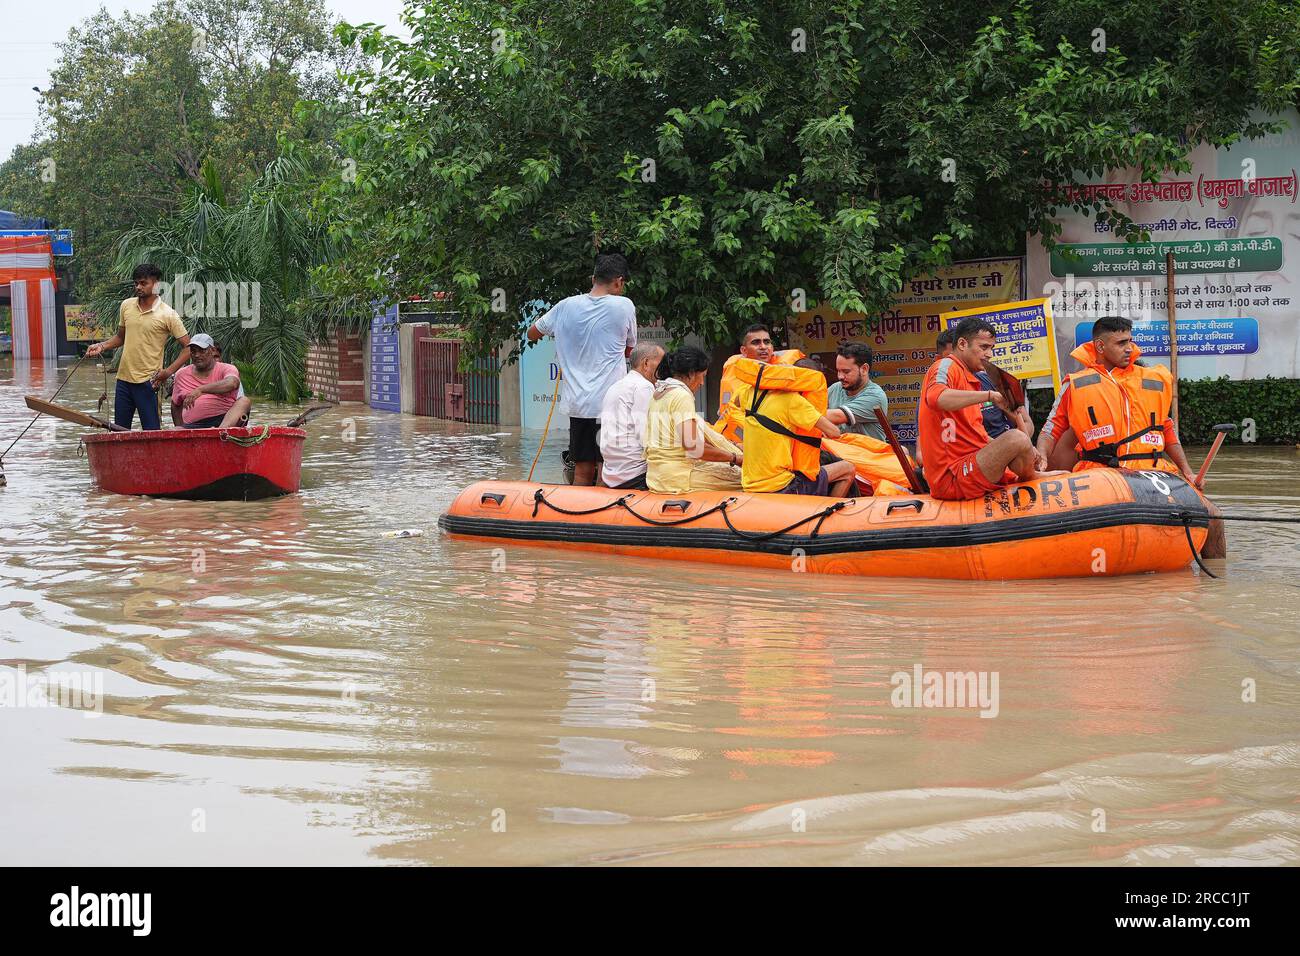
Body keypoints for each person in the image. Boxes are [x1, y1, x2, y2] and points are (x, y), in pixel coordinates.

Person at [1037, 315, 1198, 483]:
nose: (1129, 348)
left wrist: (1187, 472)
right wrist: (1042, 457)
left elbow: (1166, 427)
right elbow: (1050, 430)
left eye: (1130, 341)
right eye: (1121, 343)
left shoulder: (1150, 378)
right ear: (1100, 346)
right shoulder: (1075, 385)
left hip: (1153, 473)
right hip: (1102, 476)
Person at [527, 253, 637, 486]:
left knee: (582, 470)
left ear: (593, 278)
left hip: (578, 405)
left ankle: (578, 517)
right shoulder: (624, 305)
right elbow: (630, 350)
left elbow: (532, 332)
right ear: (618, 281)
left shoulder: (565, 306)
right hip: (611, 404)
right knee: (607, 470)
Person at [919, 316, 1056, 501]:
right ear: (961, 343)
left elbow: (977, 437)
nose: (990, 354)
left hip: (970, 466)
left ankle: (1030, 475)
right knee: (1016, 438)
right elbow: (937, 397)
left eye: (992, 348)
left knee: (1019, 441)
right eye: (984, 347)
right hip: (953, 476)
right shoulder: (946, 365)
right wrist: (990, 396)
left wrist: (1025, 450)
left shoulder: (973, 378)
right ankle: (1032, 477)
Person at [86, 263, 192, 430]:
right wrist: (102, 346)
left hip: (149, 382)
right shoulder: (126, 306)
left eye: (143, 283)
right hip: (124, 380)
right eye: (136, 283)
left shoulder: (167, 314)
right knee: (119, 432)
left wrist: (167, 372)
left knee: (152, 432)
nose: (138, 287)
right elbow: (121, 337)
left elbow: (188, 347)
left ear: (156, 284)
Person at [729, 357, 856, 497]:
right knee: (847, 469)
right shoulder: (794, 402)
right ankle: (828, 515)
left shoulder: (752, 393)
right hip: (781, 486)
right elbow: (834, 432)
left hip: (749, 484)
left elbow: (736, 401)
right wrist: (814, 418)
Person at [644, 346, 743, 494]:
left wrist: (732, 447)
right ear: (691, 374)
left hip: (657, 476)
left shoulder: (659, 394)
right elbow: (693, 447)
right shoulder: (681, 395)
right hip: (677, 477)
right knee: (748, 479)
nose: (702, 383)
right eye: (702, 376)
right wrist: (735, 458)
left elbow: (695, 437)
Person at [714, 324, 804, 443]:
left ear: (772, 348)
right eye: (756, 342)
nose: (763, 347)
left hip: (767, 447)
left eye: (766, 342)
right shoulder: (733, 371)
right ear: (744, 351)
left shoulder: (785, 375)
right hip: (729, 445)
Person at [597, 342, 664, 490]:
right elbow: (647, 438)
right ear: (646, 363)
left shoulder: (615, 386)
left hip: (612, 473)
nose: (664, 369)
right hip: (635, 474)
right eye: (661, 363)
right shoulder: (643, 386)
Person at [170, 334, 242, 428]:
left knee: (244, 401)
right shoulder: (181, 374)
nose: (197, 355)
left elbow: (232, 383)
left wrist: (201, 389)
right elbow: (175, 404)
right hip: (194, 425)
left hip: (224, 420)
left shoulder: (227, 368)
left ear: (212, 351)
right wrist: (181, 427)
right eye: (193, 351)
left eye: (202, 351)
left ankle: (220, 432)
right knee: (177, 430)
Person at [826, 343, 888, 441]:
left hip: (868, 455)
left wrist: (800, 413)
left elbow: (838, 416)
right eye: (838, 371)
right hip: (839, 453)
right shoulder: (835, 388)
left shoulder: (876, 396)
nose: (840, 376)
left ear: (864, 369)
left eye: (846, 372)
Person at [975, 358, 1032, 441]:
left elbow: (1027, 423)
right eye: (984, 347)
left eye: (990, 348)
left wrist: (1017, 442)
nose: (989, 354)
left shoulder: (990, 378)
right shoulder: (955, 388)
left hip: (1011, 442)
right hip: (983, 449)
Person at [213, 343, 252, 427]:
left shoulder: (230, 375)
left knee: (244, 401)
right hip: (202, 420)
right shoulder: (189, 375)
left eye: (216, 357)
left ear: (220, 358)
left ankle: (219, 432)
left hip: (228, 419)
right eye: (211, 357)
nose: (214, 360)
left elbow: (240, 404)